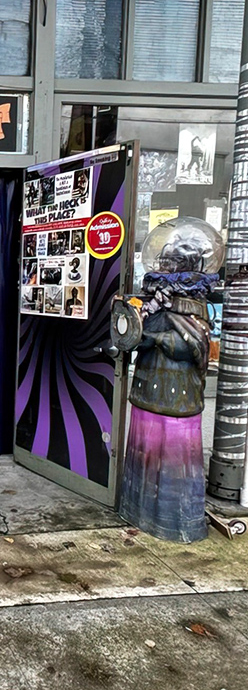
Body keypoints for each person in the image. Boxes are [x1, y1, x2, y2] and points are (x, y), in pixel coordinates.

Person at [118, 221, 220, 543]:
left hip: (178, 399)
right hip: (148, 393)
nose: (168, 265)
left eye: (174, 261)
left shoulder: (193, 308)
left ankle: (173, 520)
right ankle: (136, 508)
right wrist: (135, 332)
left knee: (173, 459)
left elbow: (190, 345)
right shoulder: (154, 303)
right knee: (144, 452)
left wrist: (155, 337)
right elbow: (136, 336)